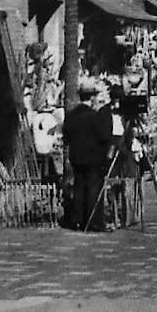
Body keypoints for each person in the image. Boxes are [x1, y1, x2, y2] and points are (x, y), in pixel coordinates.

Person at [62, 83, 114, 231]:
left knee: (79, 188)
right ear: (91, 98)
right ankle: (93, 221)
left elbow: (66, 137)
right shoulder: (94, 116)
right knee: (93, 189)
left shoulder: (71, 116)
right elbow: (104, 136)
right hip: (93, 158)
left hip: (77, 158)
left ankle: (78, 220)